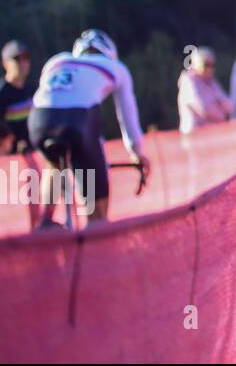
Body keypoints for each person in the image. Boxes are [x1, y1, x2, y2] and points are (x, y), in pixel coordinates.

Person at [27, 29, 151, 228]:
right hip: (77, 121)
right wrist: (137, 152)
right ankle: (96, 232)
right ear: (110, 53)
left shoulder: (57, 60)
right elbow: (128, 117)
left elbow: (52, 98)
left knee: (54, 162)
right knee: (97, 215)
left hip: (38, 121)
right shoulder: (116, 67)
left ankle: (45, 222)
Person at [0, 40, 36, 156]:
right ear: (5, 63)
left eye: (25, 58)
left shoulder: (33, 90)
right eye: (17, 59)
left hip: (35, 156)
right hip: (12, 164)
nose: (22, 63)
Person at [177, 46, 232, 134]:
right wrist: (220, 111)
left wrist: (218, 104)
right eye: (206, 65)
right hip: (194, 137)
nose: (210, 69)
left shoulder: (212, 82)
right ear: (196, 63)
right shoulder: (187, 80)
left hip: (213, 135)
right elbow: (203, 108)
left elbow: (230, 106)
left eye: (212, 65)